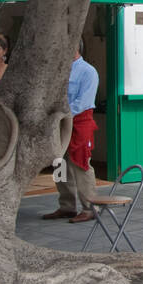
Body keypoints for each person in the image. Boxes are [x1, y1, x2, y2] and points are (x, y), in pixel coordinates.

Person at [44, 43, 99, 223]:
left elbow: (84, 101)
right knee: (59, 163)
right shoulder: (57, 70)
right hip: (58, 123)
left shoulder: (88, 71)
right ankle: (66, 205)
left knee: (81, 163)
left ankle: (90, 207)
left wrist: (62, 115)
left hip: (78, 121)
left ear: (77, 46)